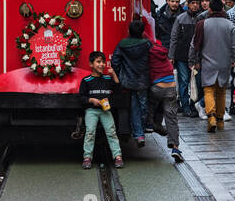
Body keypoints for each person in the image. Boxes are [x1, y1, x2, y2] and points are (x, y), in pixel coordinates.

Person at [190, 0, 235, 133]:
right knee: (221, 91)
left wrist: (192, 61)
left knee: (208, 90)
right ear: (222, 8)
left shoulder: (202, 24)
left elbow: (194, 45)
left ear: (209, 9)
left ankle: (211, 117)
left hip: (207, 62)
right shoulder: (229, 24)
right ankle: (220, 120)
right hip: (225, 62)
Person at [111, 18, 152, 147]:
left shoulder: (122, 44)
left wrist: (120, 75)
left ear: (128, 31)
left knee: (134, 106)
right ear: (142, 31)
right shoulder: (147, 44)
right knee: (142, 104)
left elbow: (115, 62)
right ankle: (142, 128)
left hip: (127, 81)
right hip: (143, 80)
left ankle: (139, 134)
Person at [78, 52, 123, 169]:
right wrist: (91, 100)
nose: (102, 64)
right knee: (90, 132)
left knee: (111, 132)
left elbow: (118, 89)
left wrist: (114, 75)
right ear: (91, 64)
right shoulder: (86, 80)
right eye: (98, 62)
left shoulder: (108, 79)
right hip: (91, 111)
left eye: (103, 62)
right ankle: (87, 157)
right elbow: (81, 97)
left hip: (105, 111)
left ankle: (117, 156)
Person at [147, 34, 183, 162]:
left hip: (157, 87)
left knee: (150, 103)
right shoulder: (163, 55)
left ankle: (150, 124)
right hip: (171, 88)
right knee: (172, 118)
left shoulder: (149, 53)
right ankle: (175, 148)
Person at [169, 0, 203, 118]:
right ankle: (185, 106)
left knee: (197, 82)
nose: (195, 5)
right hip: (182, 55)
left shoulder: (201, 18)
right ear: (188, 4)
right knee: (183, 81)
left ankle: (195, 105)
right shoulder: (180, 18)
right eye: (192, 3)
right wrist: (171, 56)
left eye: (197, 3)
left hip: (197, 56)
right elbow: (174, 38)